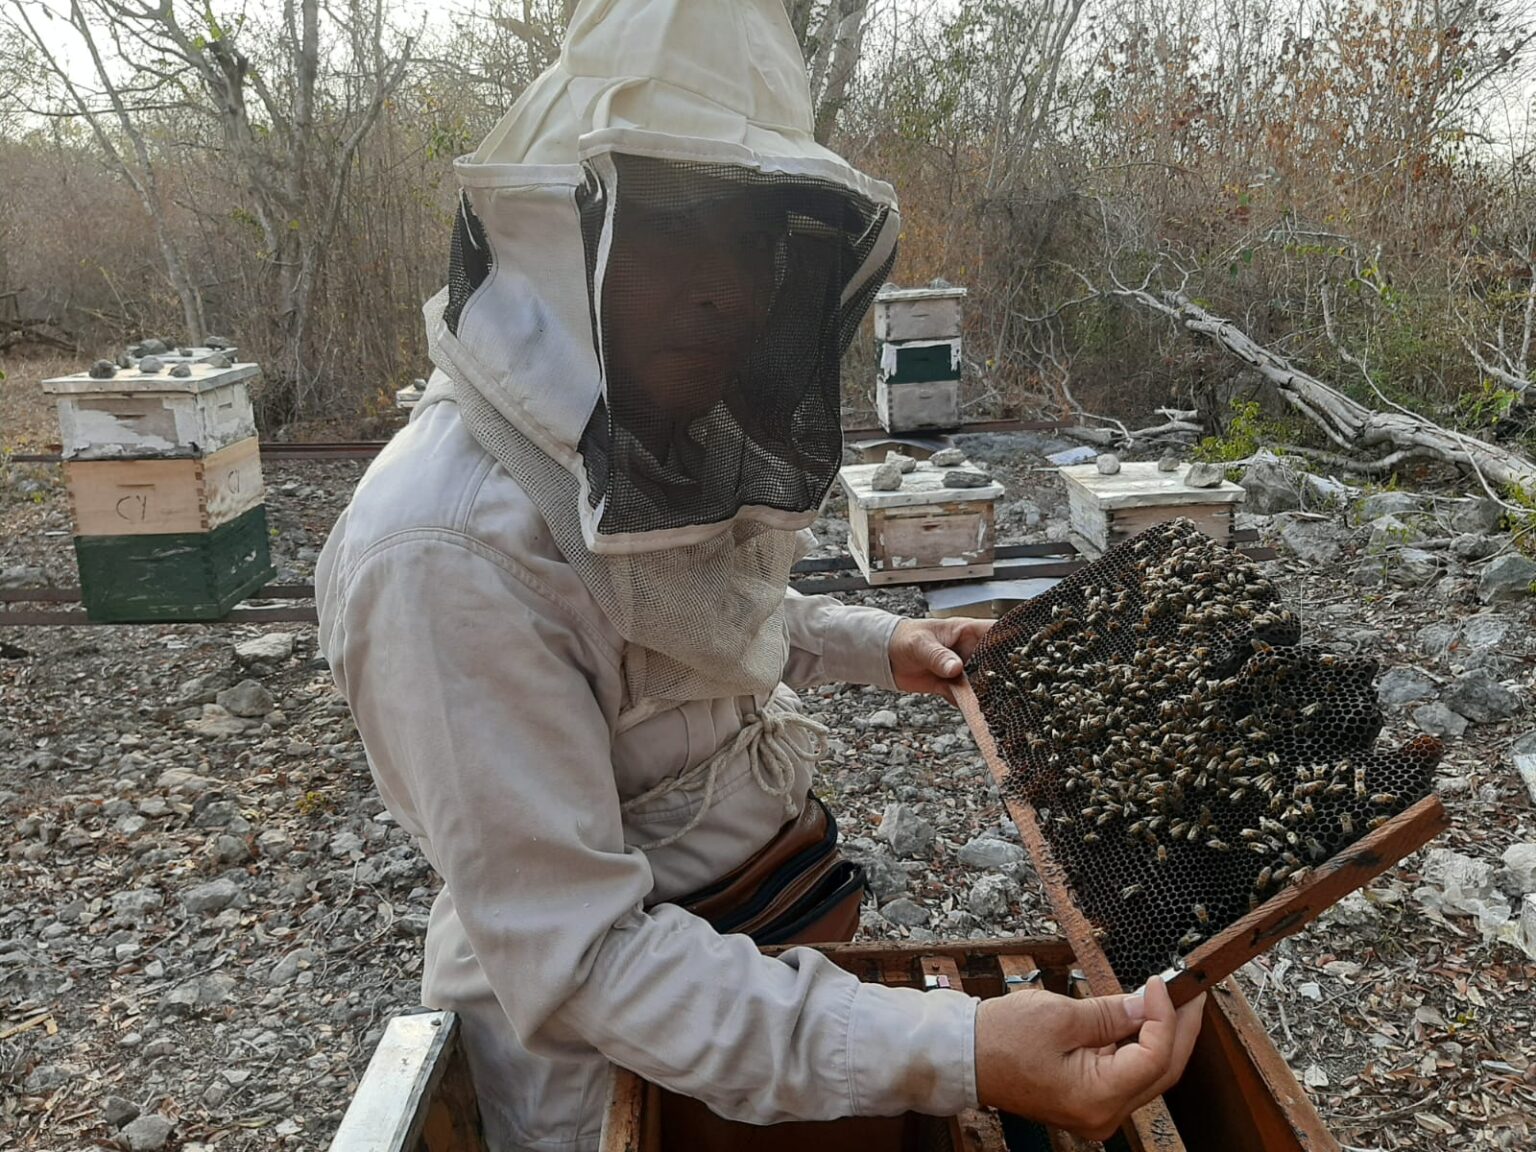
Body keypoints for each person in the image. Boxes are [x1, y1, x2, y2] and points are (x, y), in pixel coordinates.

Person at [315, 3, 1205, 1150]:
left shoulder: (627, 432)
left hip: (765, 969)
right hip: (627, 1080)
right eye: (676, 230)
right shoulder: (441, 550)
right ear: (557, 231)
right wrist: (958, 1050)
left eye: (752, 241)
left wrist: (872, 641)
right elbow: (589, 960)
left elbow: (680, 621)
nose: (727, 289)